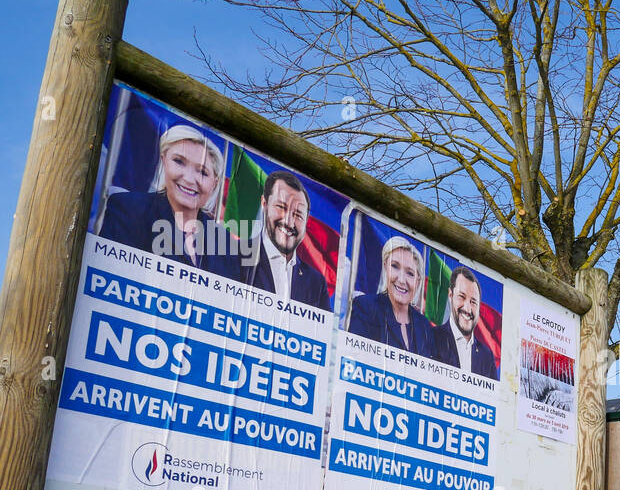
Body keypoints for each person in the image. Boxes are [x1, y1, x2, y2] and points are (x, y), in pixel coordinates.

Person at [98, 124, 240, 277]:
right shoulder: (128, 209)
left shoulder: (223, 240)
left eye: (202, 172)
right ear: (163, 160)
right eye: (179, 161)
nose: (189, 179)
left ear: (215, 183)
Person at [240, 170, 332, 311]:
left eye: (298, 215)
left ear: (306, 223)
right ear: (264, 204)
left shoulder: (316, 283)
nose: (289, 222)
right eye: (281, 207)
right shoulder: (233, 257)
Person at [347, 236, 437, 356]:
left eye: (410, 273)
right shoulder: (365, 306)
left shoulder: (424, 326)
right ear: (385, 267)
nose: (401, 280)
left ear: (418, 281)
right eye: (395, 266)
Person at [431, 265, 498, 379]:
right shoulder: (431, 338)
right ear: (450, 295)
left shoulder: (487, 356)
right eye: (461, 297)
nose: (467, 308)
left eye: (473, 302)